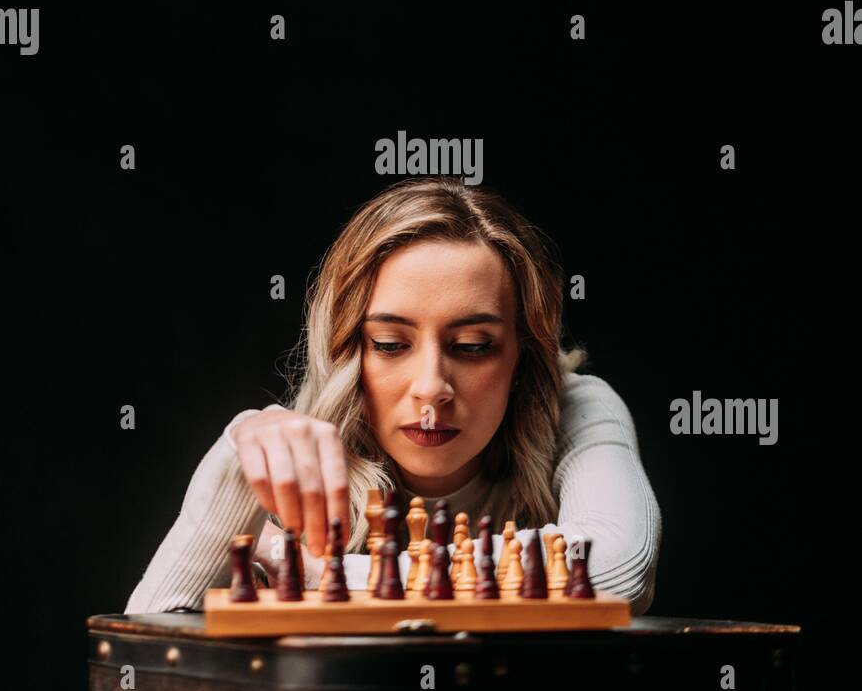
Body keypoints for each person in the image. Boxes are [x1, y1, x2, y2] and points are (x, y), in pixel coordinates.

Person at [125, 177, 662, 616]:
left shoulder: (579, 407)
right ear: (347, 350)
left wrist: (328, 577)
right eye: (389, 344)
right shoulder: (288, 457)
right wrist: (237, 461)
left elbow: (619, 567)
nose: (431, 385)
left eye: (473, 346)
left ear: (522, 355)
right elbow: (141, 670)